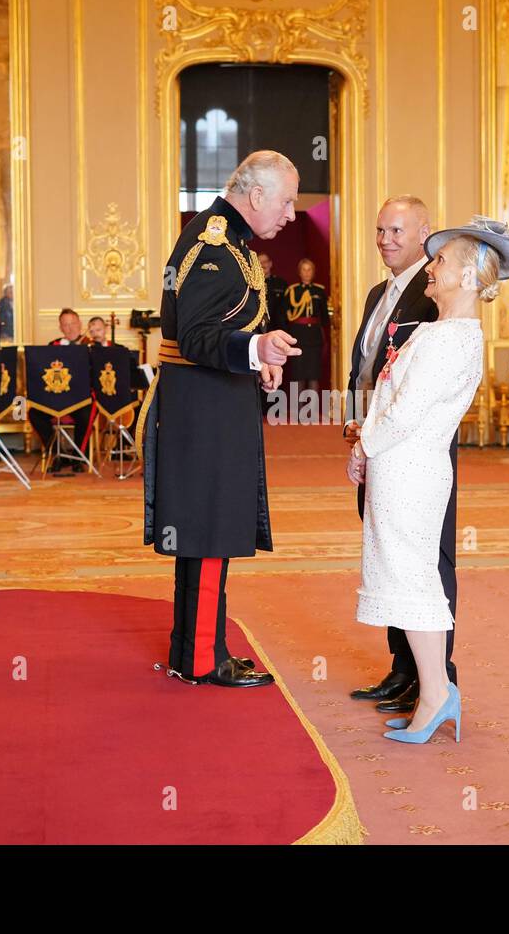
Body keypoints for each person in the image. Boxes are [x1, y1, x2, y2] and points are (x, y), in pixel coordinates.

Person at [347, 218, 509, 743]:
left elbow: (406, 415)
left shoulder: (454, 340)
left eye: (442, 261)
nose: (431, 267)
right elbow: (391, 400)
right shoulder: (435, 330)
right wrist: (366, 436)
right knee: (407, 579)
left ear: (471, 277)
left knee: (417, 580)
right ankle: (433, 692)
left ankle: (436, 694)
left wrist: (365, 445)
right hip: (397, 466)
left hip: (413, 472)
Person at [139, 150, 301, 687]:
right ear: (256, 196)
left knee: (204, 529)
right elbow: (197, 336)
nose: (292, 214)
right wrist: (256, 349)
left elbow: (222, 326)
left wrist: (259, 360)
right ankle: (203, 659)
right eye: (286, 201)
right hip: (206, 410)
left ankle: (196, 650)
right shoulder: (216, 247)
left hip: (210, 402)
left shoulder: (229, 242)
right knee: (208, 528)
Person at [344, 195, 458, 716]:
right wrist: (356, 423)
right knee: (390, 555)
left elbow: (419, 383)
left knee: (426, 560)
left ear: (422, 233)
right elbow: (364, 367)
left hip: (414, 449)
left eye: (396, 230)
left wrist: (375, 434)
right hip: (377, 442)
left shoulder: (433, 293)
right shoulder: (376, 293)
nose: (385, 240)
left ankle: (435, 678)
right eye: (380, 230)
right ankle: (400, 668)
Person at [30, 308, 93, 471]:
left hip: (80, 400)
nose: (70, 328)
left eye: (73, 324)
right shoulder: (53, 346)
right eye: (65, 325)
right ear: (60, 328)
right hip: (55, 399)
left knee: (86, 413)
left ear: (79, 324)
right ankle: (58, 454)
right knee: (34, 414)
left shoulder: (90, 345)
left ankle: (79, 457)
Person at [281, 258, 330, 400]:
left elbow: (324, 317)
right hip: (298, 335)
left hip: (314, 337)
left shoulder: (319, 291)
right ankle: (298, 411)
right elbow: (283, 314)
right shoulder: (292, 290)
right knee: (298, 374)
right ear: (299, 272)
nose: (307, 273)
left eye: (310, 270)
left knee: (314, 374)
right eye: (304, 269)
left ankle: (312, 412)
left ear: (313, 272)